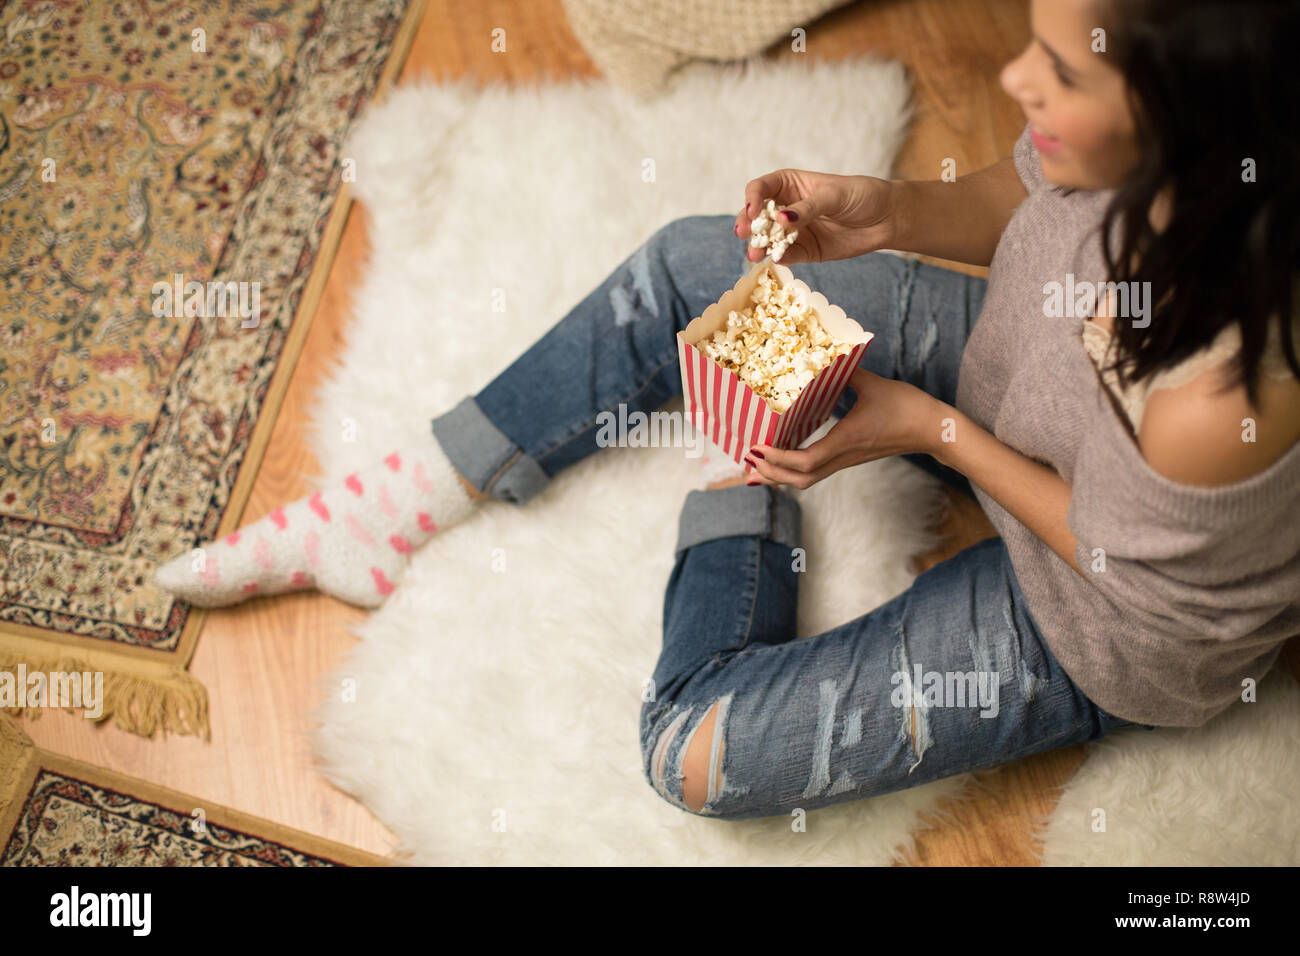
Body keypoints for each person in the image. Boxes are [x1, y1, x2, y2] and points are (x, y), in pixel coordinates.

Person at [156, 0, 1299, 820]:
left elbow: (1110, 553)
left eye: (1060, 70)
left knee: (695, 753)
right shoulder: (1156, 144)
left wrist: (921, 428)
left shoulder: (1226, 393)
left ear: (1185, 129)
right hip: (1014, 384)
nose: (1018, 81)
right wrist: (887, 212)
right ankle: (397, 505)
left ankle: (743, 504)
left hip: (1095, 611)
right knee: (693, 266)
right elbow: (1022, 198)